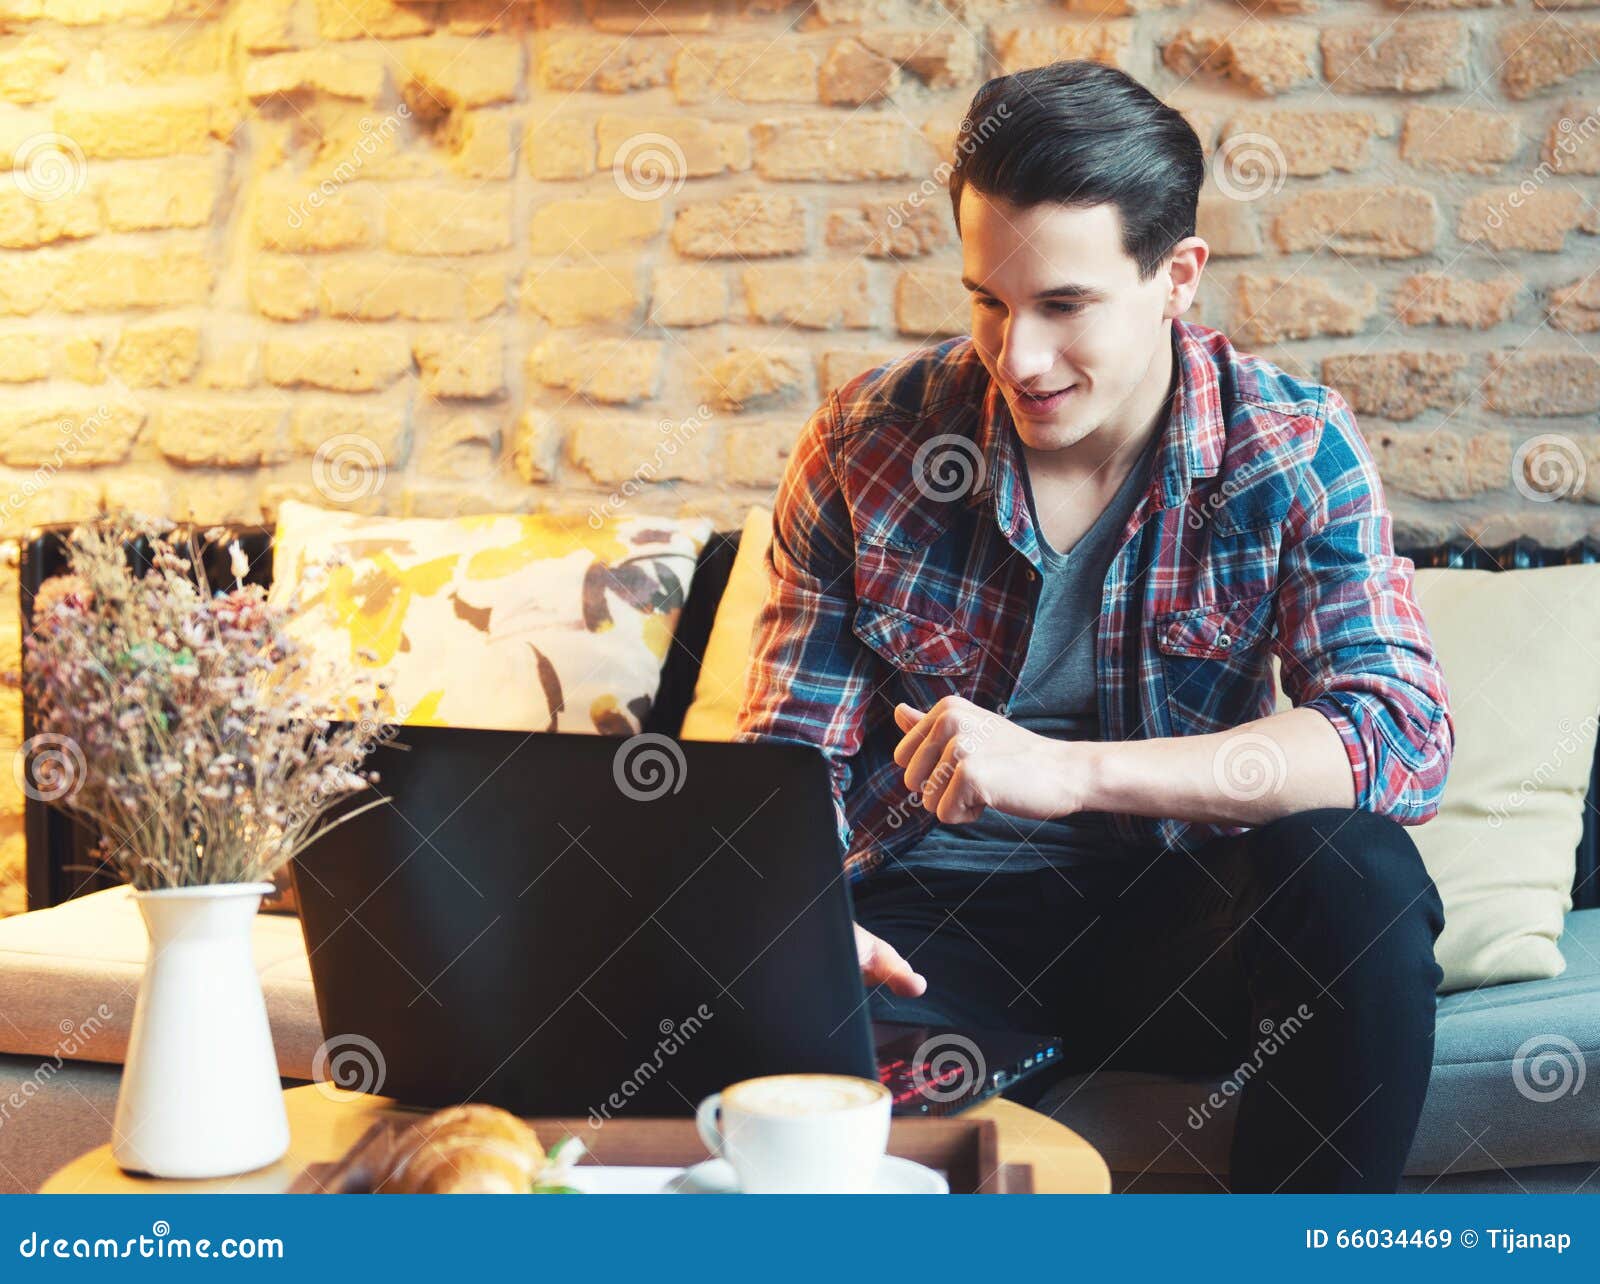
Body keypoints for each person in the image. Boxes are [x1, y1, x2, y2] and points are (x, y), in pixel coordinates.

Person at [732, 60, 1453, 1193]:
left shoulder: (1291, 448)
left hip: (1177, 929)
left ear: (1176, 278)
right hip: (928, 936)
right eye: (988, 301)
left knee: (1355, 873)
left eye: (1065, 306)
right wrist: (803, 927)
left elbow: (1397, 737)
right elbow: (785, 764)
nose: (1016, 358)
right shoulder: (868, 442)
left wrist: (1068, 773)